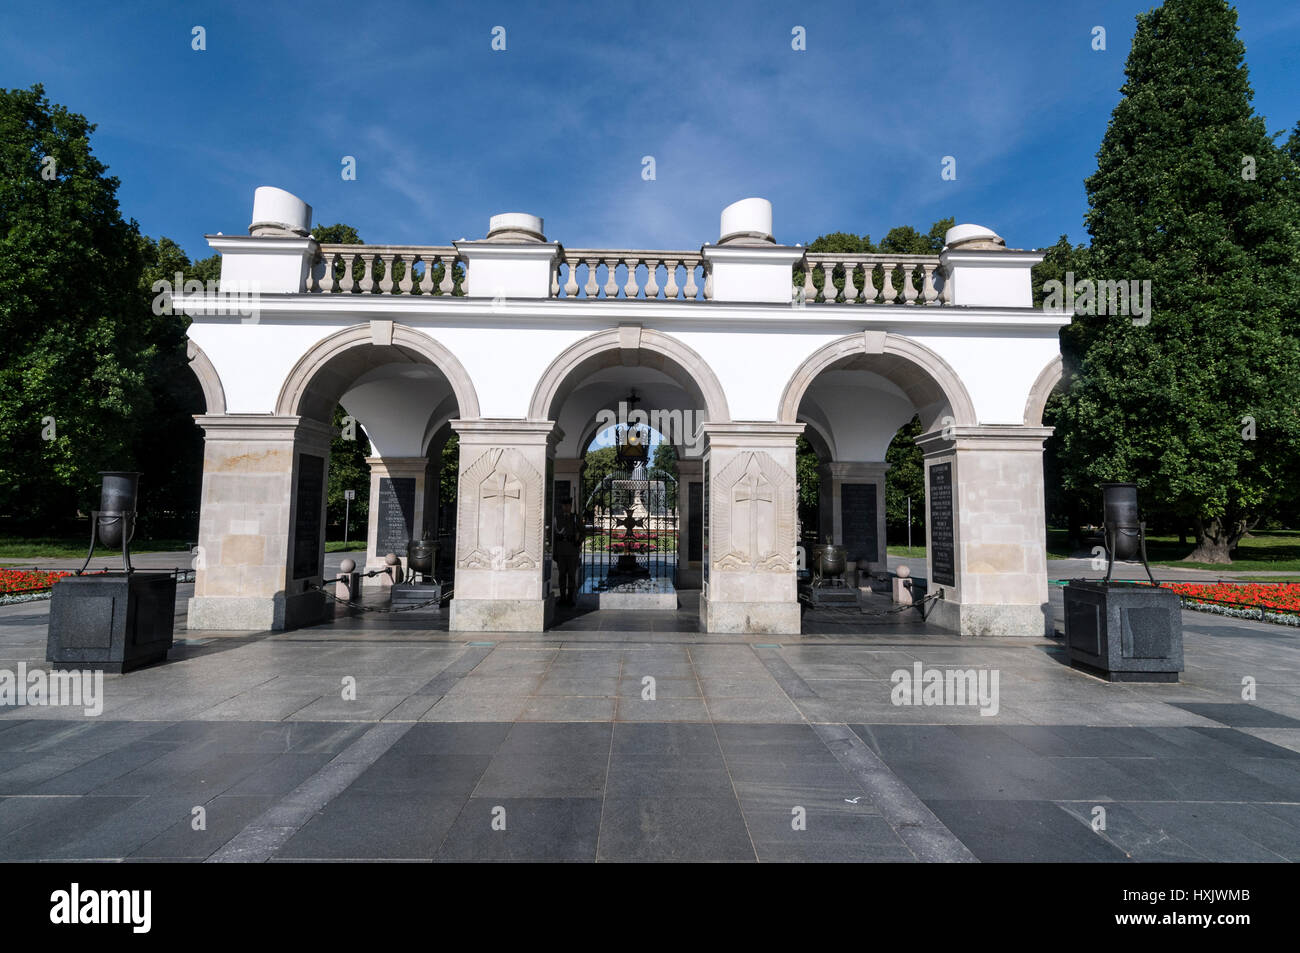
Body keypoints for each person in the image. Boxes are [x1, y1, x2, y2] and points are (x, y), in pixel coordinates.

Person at [553, 500, 585, 607]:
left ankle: (570, 598)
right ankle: (562, 598)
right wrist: (554, 552)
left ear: (571, 506)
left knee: (571, 575)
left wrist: (578, 541)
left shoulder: (575, 518)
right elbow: (553, 535)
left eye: (568, 505)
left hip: (572, 551)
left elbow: (583, 533)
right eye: (564, 505)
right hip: (561, 551)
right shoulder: (557, 518)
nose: (566, 507)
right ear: (562, 506)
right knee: (562, 575)